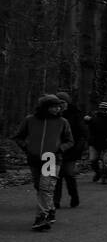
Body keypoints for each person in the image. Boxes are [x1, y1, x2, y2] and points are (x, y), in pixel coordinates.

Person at [12, 93, 72, 231]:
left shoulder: (62, 122)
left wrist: (60, 149)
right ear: (45, 107)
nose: (57, 109)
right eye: (54, 107)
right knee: (39, 187)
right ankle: (50, 210)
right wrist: (27, 147)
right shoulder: (30, 120)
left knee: (46, 187)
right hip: (34, 158)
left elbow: (70, 141)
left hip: (51, 158)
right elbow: (18, 137)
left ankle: (41, 217)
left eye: (58, 107)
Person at [53, 91, 87, 210]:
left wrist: (78, 148)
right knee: (56, 175)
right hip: (55, 149)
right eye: (58, 102)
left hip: (72, 148)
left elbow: (82, 132)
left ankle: (74, 196)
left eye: (63, 102)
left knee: (68, 173)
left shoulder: (75, 114)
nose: (60, 105)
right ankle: (55, 200)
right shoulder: (52, 114)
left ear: (67, 103)